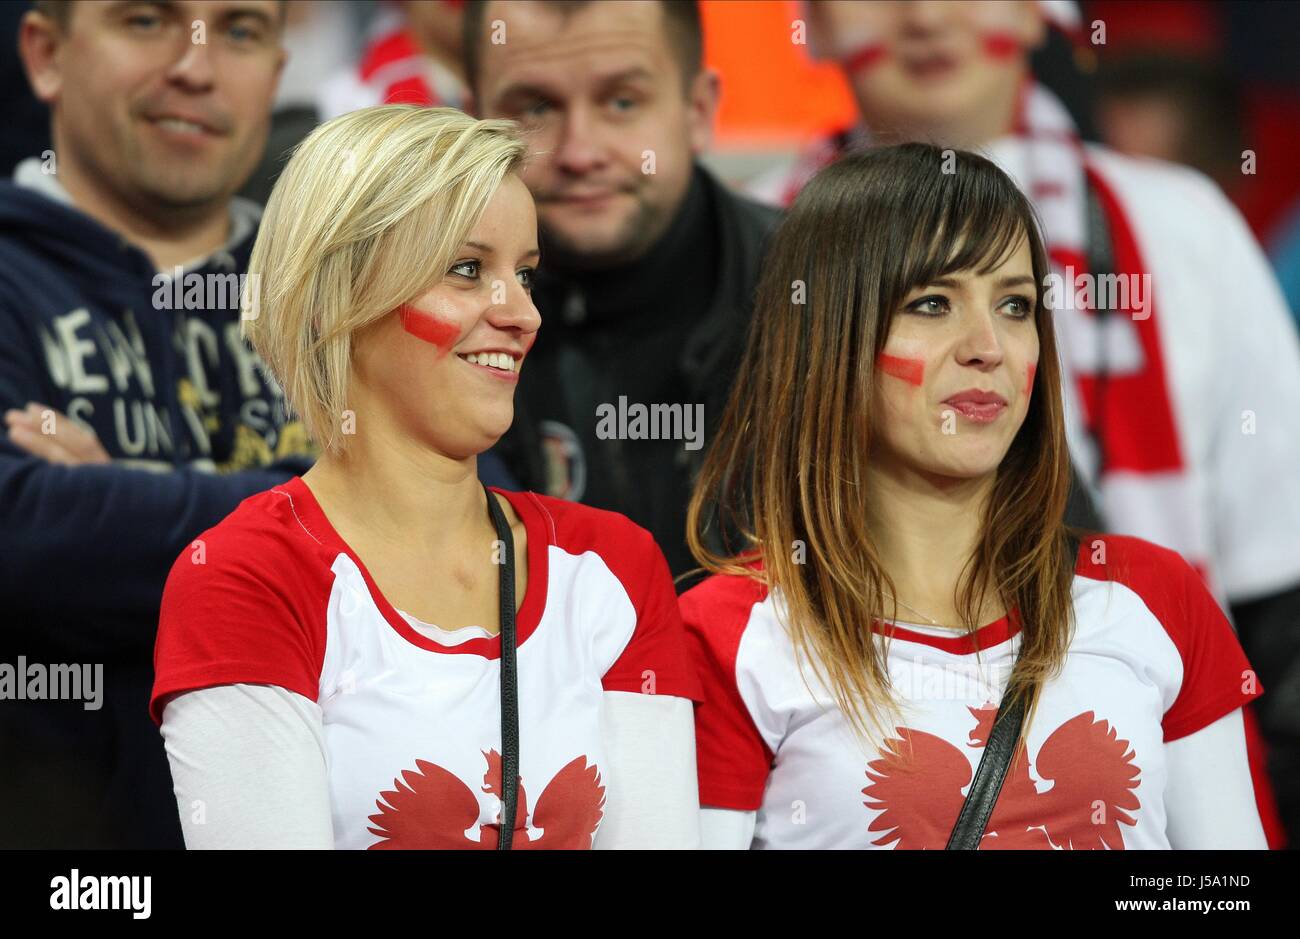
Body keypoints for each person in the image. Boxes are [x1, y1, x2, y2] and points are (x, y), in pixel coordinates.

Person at [748, 0, 1300, 846]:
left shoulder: (1184, 227)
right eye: (929, 302)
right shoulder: (743, 244)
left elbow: (1281, 598)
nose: (927, 16)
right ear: (810, 23)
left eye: (1016, 304)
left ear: (1049, 14)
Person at [150, 105, 703, 849]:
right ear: (334, 296)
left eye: (527, 274)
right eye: (468, 269)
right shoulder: (245, 577)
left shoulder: (614, 564)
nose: (523, 315)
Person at [0, 0, 308, 849]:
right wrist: (334, 508)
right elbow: (22, 539)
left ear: (279, 70)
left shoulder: (348, 294)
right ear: (46, 53)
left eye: (240, 31)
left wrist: (120, 497)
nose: (197, 68)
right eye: (146, 20)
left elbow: (475, 518)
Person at [462, 0, 781, 580]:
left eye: (622, 102)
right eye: (536, 107)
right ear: (474, 121)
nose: (581, 152)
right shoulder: (411, 318)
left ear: (698, 110)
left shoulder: (829, 301)